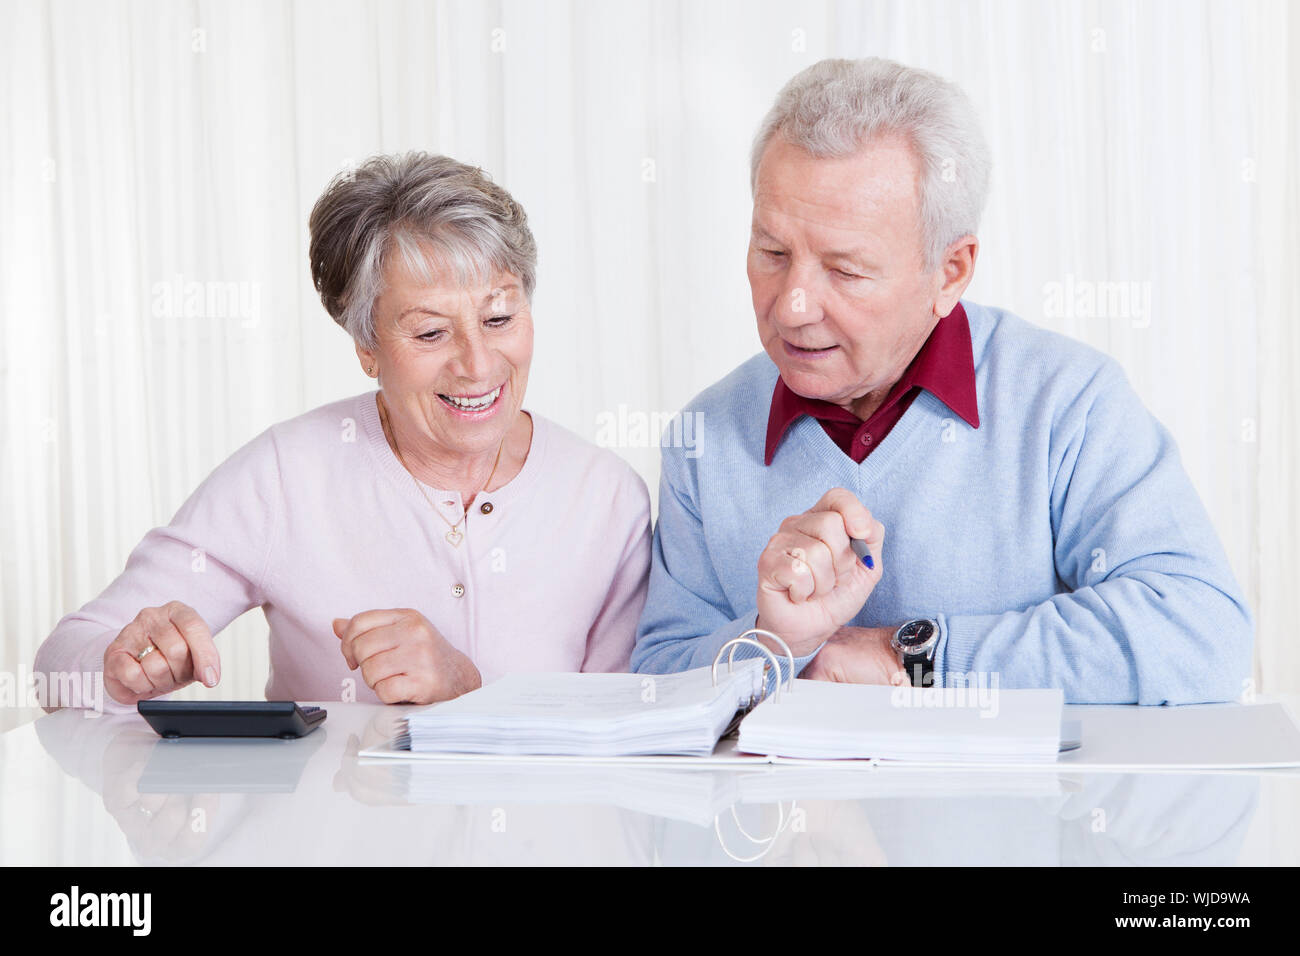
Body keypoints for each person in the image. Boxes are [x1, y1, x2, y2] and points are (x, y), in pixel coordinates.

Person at [632, 58, 1252, 704]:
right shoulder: (704, 438)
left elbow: (1200, 635)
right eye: (772, 253)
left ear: (950, 271)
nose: (791, 305)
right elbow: (655, 678)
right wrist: (777, 647)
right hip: (784, 811)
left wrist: (911, 656)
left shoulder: (1068, 404)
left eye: (844, 270)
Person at [36, 151, 651, 711]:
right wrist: (119, 667)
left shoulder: (605, 496)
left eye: (499, 317)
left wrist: (468, 693)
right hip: (324, 834)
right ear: (366, 346)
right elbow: (60, 665)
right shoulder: (286, 475)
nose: (479, 363)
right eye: (431, 333)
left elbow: (623, 739)